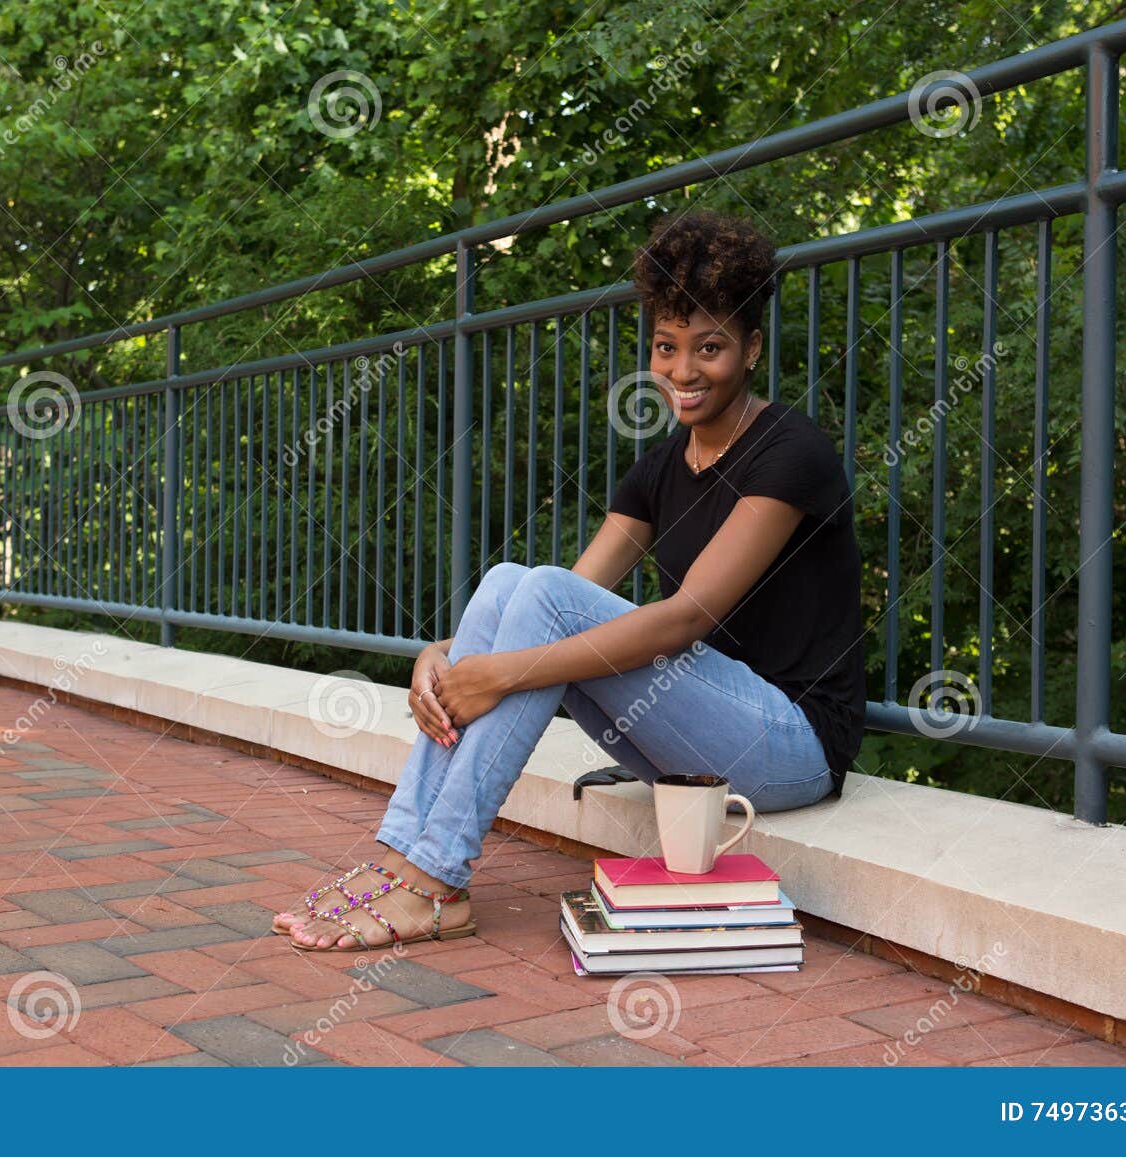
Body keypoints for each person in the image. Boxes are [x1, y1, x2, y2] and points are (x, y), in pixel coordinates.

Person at [274, 208, 865, 951]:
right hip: (696, 741)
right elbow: (553, 599)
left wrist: (497, 675)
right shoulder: (658, 469)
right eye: (666, 346)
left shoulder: (791, 450)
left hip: (790, 746)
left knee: (541, 590)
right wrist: (446, 654)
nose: (684, 371)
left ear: (750, 348)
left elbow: (683, 618)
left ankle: (435, 878)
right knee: (509, 580)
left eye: (709, 347)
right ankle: (405, 860)